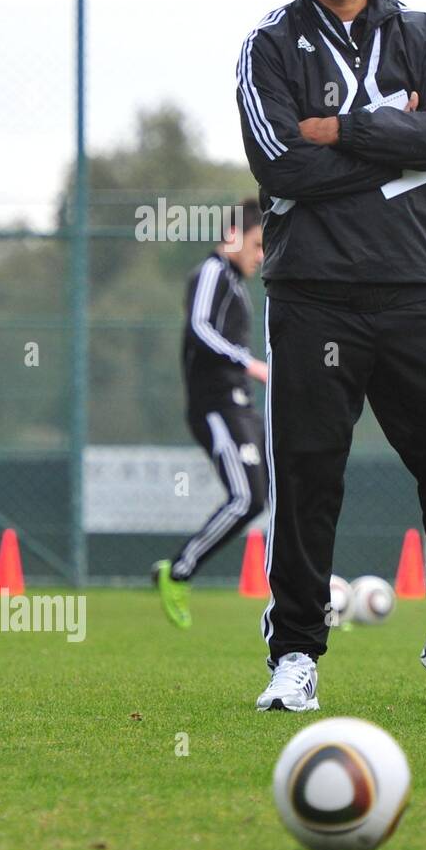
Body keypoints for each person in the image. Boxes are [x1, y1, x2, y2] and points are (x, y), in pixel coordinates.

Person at [236, 0, 426, 711]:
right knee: (310, 474)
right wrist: (400, 137)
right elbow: (280, 164)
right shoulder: (269, 46)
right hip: (314, 292)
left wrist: (345, 129)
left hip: (417, 288)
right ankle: (298, 655)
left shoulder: (423, 33)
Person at [154, 199, 268, 629]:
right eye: (257, 245)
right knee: (246, 499)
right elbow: (199, 328)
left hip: (240, 407)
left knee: (279, 493)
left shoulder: (236, 283)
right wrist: (249, 363)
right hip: (216, 407)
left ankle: (308, 599)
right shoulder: (212, 272)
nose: (260, 257)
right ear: (234, 236)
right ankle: (179, 570)